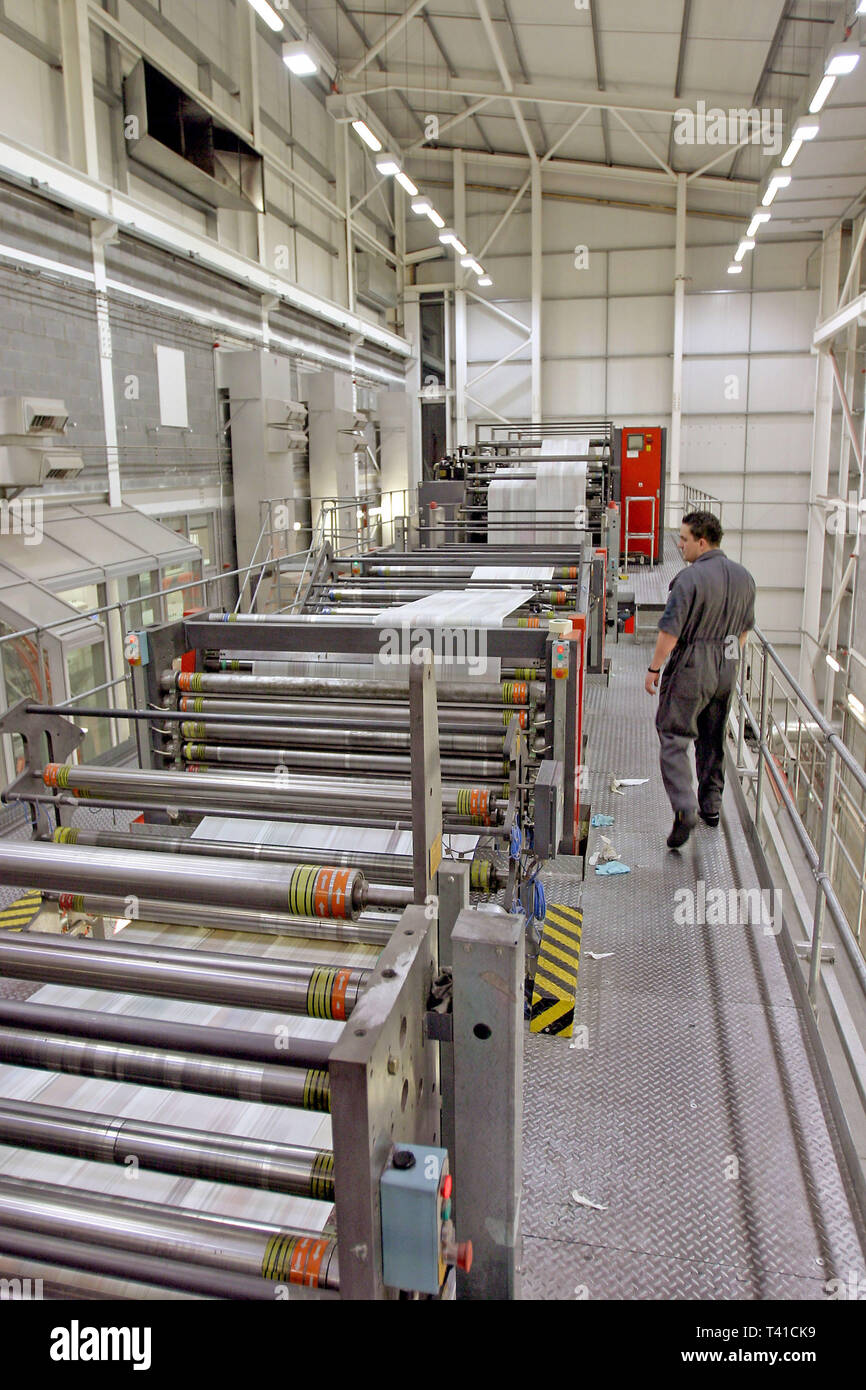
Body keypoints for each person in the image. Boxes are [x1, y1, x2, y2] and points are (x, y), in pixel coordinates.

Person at [644, 512, 755, 849]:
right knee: (713, 735)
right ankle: (711, 806)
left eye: (684, 539)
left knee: (674, 733)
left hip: (694, 664)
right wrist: (728, 660)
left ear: (702, 541)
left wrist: (654, 669)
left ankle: (685, 808)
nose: (680, 545)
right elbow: (745, 630)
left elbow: (670, 630)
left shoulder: (689, 580)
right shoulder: (745, 578)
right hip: (728, 663)